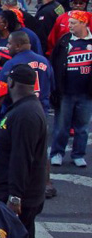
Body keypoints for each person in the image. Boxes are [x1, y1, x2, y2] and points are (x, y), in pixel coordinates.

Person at [0, 64, 48, 237]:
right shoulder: (24, 108)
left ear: (12, 83)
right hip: (17, 192)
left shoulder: (26, 114)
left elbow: (21, 157)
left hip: (19, 197)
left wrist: (15, 196)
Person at [49, 10, 92, 168]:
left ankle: (78, 155)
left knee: (82, 128)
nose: (69, 26)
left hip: (86, 94)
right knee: (61, 126)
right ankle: (57, 153)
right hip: (65, 93)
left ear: (83, 23)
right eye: (69, 22)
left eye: (73, 23)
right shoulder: (64, 41)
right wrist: (54, 89)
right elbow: (54, 63)